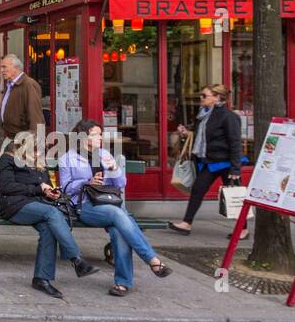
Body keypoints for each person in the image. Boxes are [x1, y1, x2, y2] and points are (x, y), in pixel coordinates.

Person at [60, 120, 172, 296]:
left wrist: (113, 168)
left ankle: (123, 283)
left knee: (119, 229)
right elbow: (65, 188)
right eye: (96, 134)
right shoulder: (67, 158)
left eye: (100, 133)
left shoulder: (105, 154)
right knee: (118, 214)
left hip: (109, 201)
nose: (100, 137)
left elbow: (121, 184)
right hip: (85, 205)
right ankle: (152, 259)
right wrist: (86, 182)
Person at [0, 133, 98, 298]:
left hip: (38, 206)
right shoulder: (8, 160)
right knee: (52, 213)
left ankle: (41, 279)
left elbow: (46, 187)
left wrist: (51, 193)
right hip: (13, 205)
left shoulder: (39, 163)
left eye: (40, 151)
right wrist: (38, 189)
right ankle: (76, 259)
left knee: (48, 228)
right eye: (34, 150)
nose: (37, 154)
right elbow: (7, 187)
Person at [170, 84, 244, 235]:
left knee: (234, 196)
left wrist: (235, 169)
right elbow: (202, 137)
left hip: (226, 162)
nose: (201, 98)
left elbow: (235, 143)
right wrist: (187, 133)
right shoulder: (203, 115)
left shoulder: (229, 117)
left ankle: (243, 230)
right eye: (201, 95)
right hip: (210, 162)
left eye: (204, 96)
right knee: (197, 190)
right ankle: (186, 223)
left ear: (217, 98)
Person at [0, 53, 44, 147]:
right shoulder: (11, 85)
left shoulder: (28, 85)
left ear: (16, 67)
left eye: (4, 67)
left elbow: (36, 117)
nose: (2, 70)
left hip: (23, 141)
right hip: (11, 138)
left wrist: (33, 144)